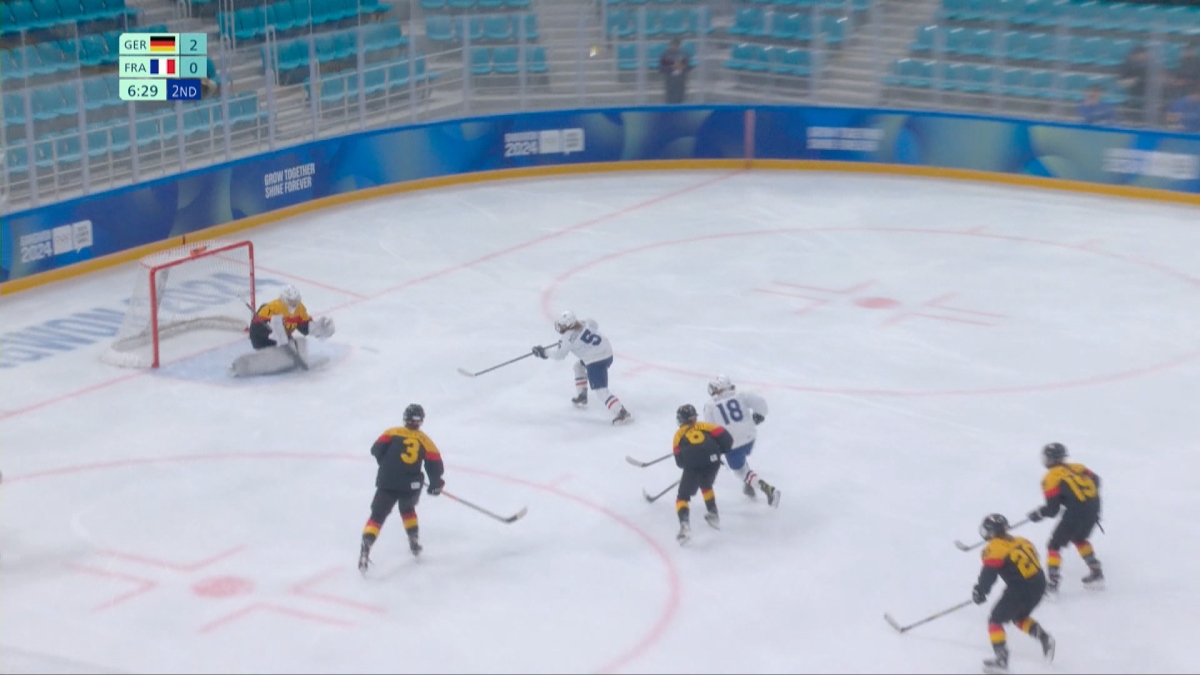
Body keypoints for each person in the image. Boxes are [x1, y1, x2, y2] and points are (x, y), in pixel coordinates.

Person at [359, 404, 445, 571]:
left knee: (377, 516)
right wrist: (436, 483)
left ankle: (367, 544)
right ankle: (413, 540)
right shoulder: (425, 439)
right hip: (410, 484)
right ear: (421, 421)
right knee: (408, 509)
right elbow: (434, 463)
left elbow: (376, 450)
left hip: (387, 481)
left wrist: (386, 464)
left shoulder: (391, 432)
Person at [973, 513, 1056, 674]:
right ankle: (1045, 638)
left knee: (995, 621)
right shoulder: (1021, 540)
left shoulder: (995, 547)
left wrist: (980, 591)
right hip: (1039, 584)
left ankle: (1001, 659)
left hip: (1021, 588)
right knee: (1018, 617)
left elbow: (989, 572)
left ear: (991, 532)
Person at [1026, 442, 1104, 593]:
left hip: (1075, 513)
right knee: (1080, 539)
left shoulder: (1050, 478)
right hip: (1094, 510)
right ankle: (1096, 571)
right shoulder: (1079, 467)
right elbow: (1096, 480)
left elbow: (1052, 510)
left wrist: (1038, 514)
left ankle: (1053, 584)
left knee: (1054, 545)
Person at [532, 310, 632, 425]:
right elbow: (595, 325)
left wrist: (543, 352)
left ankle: (622, 412)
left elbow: (559, 355)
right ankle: (582, 396)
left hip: (596, 360)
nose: (560, 327)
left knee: (601, 391)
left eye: (563, 325)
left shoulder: (566, 339)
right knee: (578, 367)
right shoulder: (585, 322)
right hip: (607, 353)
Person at [702, 375, 780, 507]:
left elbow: (710, 429)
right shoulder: (740, 396)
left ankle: (768, 489)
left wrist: (713, 447)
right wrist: (759, 415)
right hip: (750, 436)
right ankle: (748, 483)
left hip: (731, 442)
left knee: (739, 471)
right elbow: (760, 402)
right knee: (741, 456)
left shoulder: (710, 405)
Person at [231, 284, 335, 377]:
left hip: (283, 340)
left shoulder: (299, 309)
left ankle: (290, 360)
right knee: (279, 352)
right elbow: (256, 329)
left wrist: (320, 329)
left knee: (300, 343)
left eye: (296, 301)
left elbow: (305, 326)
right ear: (284, 299)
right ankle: (245, 365)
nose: (294, 304)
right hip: (262, 339)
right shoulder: (274, 307)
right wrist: (272, 334)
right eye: (291, 301)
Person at [672, 404, 732, 545]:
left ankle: (685, 526)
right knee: (706, 484)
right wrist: (718, 450)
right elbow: (727, 439)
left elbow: (680, 462)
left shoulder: (678, 435)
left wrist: (690, 465)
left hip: (693, 465)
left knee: (683, 497)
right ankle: (713, 513)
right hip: (713, 460)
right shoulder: (706, 426)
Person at [1117, 44, 1148, 117]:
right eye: (1141, 55)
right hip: (1133, 95)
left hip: (1147, 95)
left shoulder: (1149, 66)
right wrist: (1135, 80)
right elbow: (1119, 83)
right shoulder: (1127, 65)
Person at [658, 38, 692, 105]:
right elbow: (661, 68)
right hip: (670, 79)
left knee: (680, 96)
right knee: (670, 97)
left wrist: (681, 67)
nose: (674, 47)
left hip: (680, 79)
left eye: (676, 45)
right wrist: (671, 68)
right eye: (673, 45)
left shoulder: (684, 54)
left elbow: (687, 66)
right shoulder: (665, 55)